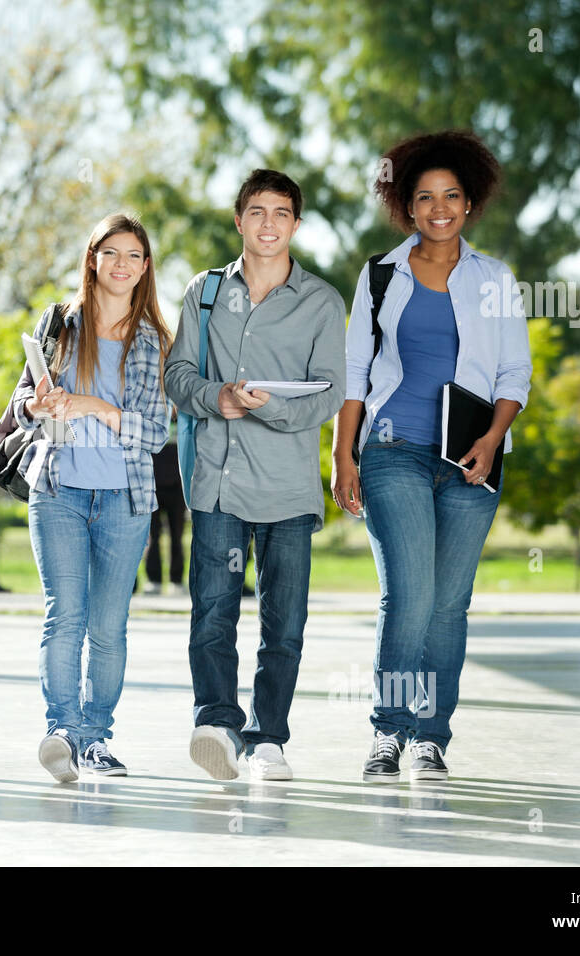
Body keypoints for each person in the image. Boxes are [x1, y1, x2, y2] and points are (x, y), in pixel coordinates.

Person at [331, 129, 532, 784]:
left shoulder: (495, 278)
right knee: (409, 596)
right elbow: (354, 371)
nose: (439, 207)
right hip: (393, 450)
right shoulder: (379, 276)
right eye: (424, 197)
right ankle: (389, 733)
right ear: (407, 207)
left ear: (468, 205)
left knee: (449, 605)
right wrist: (343, 455)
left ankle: (430, 738)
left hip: (471, 459)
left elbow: (514, 374)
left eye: (451, 196)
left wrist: (490, 439)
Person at [165, 169, 346, 781]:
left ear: (295, 223)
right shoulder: (205, 291)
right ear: (239, 220)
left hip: (289, 488)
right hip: (217, 482)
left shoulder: (321, 301)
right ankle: (217, 722)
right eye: (257, 212)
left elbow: (330, 398)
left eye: (282, 213)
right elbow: (178, 375)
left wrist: (273, 407)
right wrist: (221, 398)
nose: (269, 223)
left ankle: (269, 739)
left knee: (283, 621)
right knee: (213, 611)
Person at [9, 213, 172, 781]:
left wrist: (95, 407)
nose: (121, 265)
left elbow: (156, 434)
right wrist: (41, 406)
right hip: (58, 491)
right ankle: (62, 732)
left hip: (124, 500)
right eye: (111, 253)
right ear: (93, 259)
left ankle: (96, 738)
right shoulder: (60, 324)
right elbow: (23, 402)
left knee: (107, 626)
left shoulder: (153, 342)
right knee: (64, 618)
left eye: (133, 255)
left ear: (144, 267)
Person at [143, 407, 186, 595]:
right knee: (153, 535)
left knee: (177, 535)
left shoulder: (184, 419)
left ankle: (176, 580)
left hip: (178, 486)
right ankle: (154, 580)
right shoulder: (152, 414)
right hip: (152, 484)